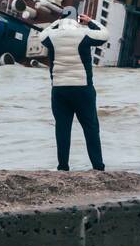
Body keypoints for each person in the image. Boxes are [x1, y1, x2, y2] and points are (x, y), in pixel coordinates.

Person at [40, 9, 109, 171]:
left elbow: (42, 34)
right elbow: (105, 35)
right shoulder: (84, 33)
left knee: (62, 128)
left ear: (61, 20)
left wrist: (57, 22)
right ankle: (98, 166)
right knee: (90, 127)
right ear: (77, 20)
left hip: (59, 89)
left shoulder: (51, 36)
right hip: (82, 88)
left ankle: (63, 166)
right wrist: (90, 21)